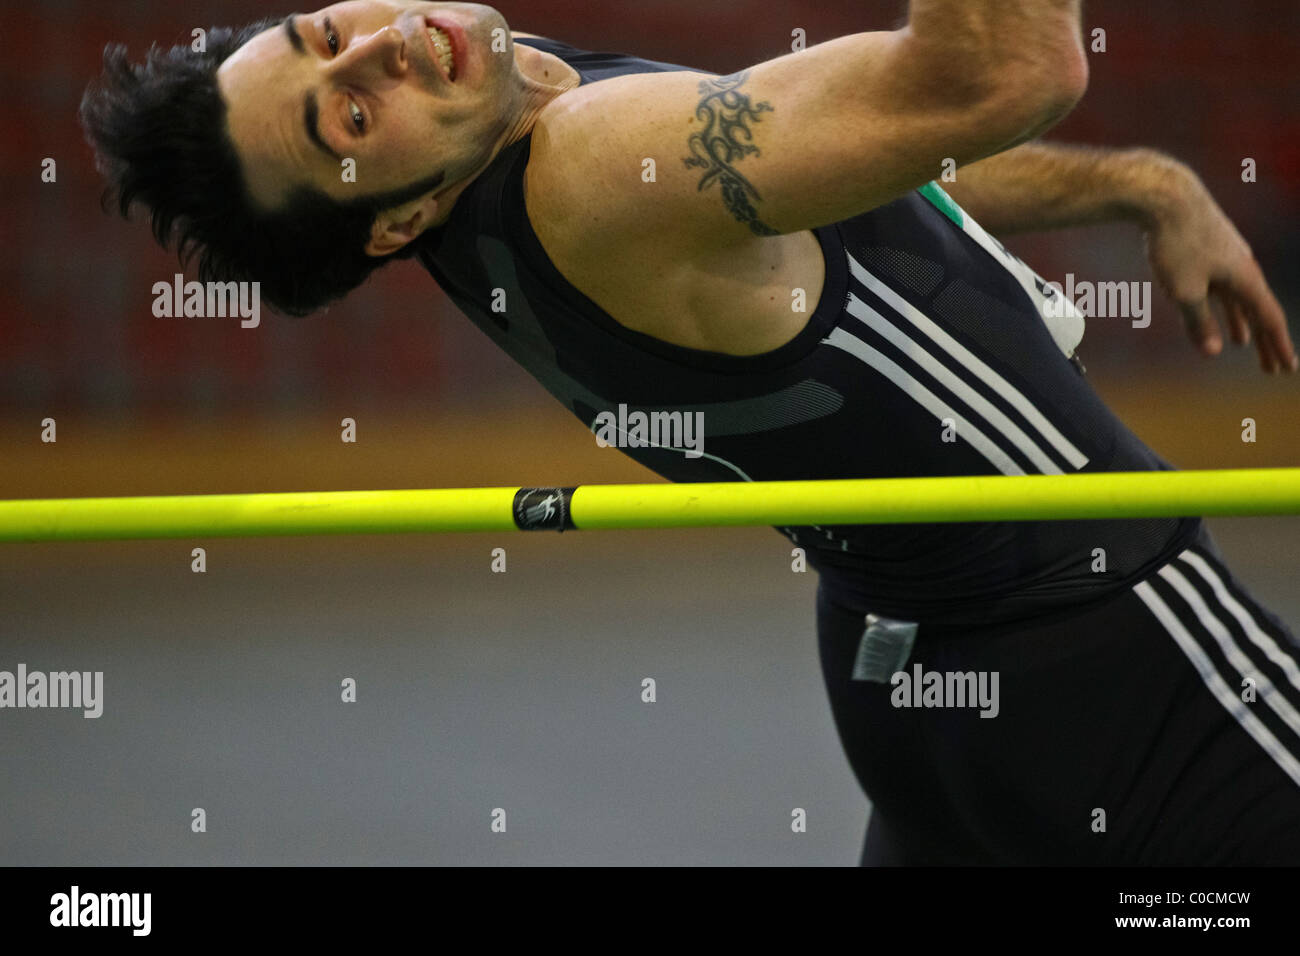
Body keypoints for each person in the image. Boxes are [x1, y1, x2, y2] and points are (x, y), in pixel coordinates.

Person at [80, 1, 1300, 863]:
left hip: (916, 694)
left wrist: (1141, 184)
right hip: (1108, 655)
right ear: (391, 225)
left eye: (324, 33)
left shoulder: (488, 125)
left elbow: (862, 157)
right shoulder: (600, 163)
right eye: (345, 114)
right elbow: (990, 80)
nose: (386, 47)